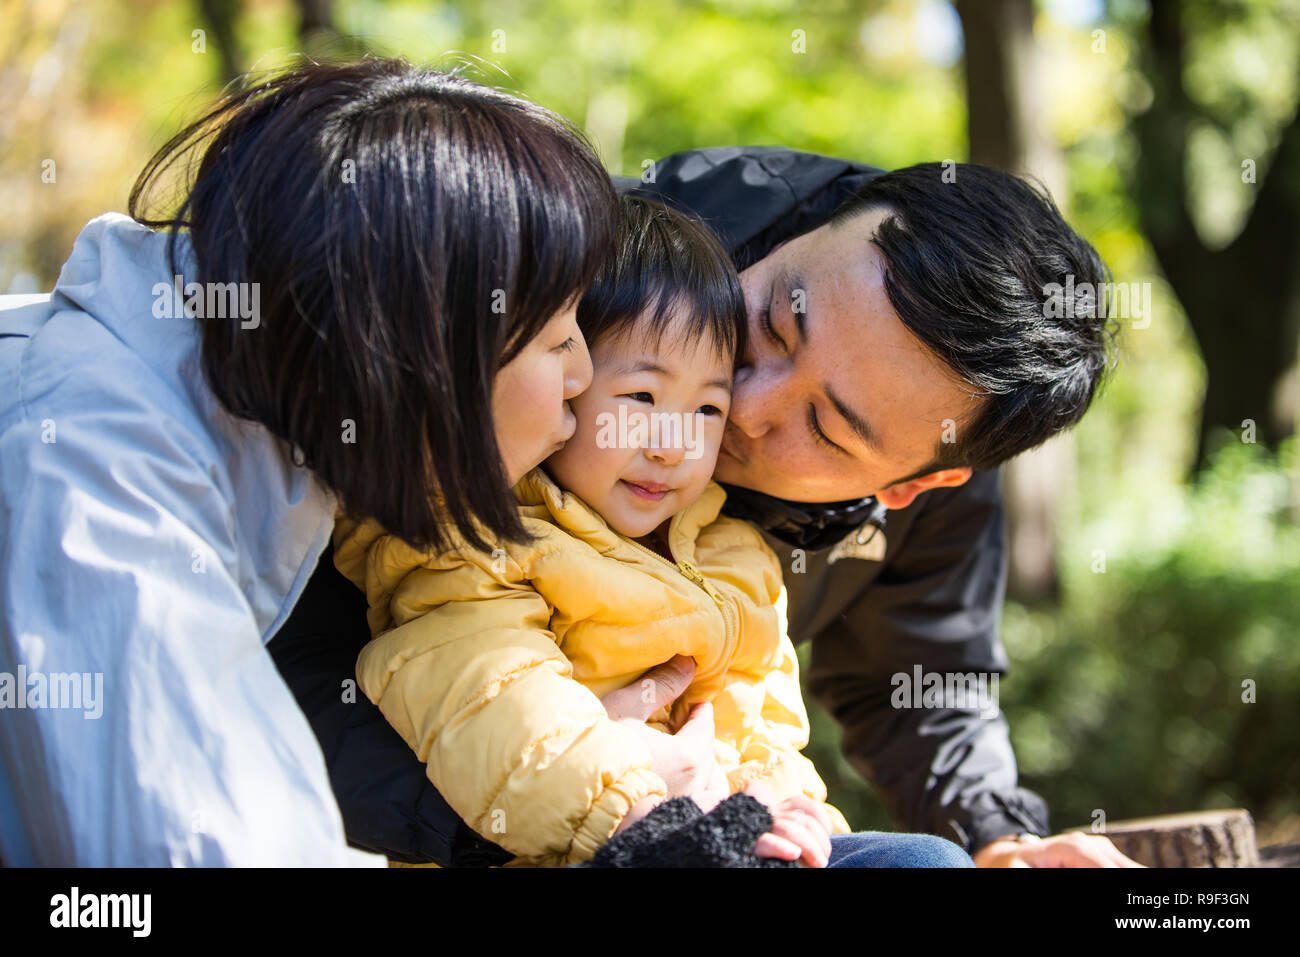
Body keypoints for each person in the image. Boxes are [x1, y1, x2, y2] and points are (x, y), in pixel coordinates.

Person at [274, 146, 1143, 867]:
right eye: (769, 324)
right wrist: (584, 792)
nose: (744, 406)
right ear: (803, 233)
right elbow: (277, 652)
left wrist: (998, 834)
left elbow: (911, 682)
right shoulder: (555, 280)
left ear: (911, 483)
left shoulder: (936, 432)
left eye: (827, 430)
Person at [0, 58, 621, 865]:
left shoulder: (253, 433)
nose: (584, 375)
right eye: (554, 332)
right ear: (414, 341)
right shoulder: (102, 464)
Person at [332, 195, 975, 868]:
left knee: (926, 862)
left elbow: (766, 722)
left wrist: (787, 803)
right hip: (592, 838)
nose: (674, 445)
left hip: (727, 832)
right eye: (641, 398)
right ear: (565, 370)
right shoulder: (481, 534)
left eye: (707, 407)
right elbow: (491, 693)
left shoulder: (737, 554)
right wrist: (638, 813)